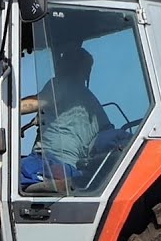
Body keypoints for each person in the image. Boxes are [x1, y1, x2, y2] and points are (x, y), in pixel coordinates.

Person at [19, 47, 109, 191]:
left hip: (46, 163)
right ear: (86, 73)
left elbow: (34, 103)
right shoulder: (92, 103)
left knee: (2, 177)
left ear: (63, 66)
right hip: (72, 169)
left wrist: (0, 108)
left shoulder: (60, 84)